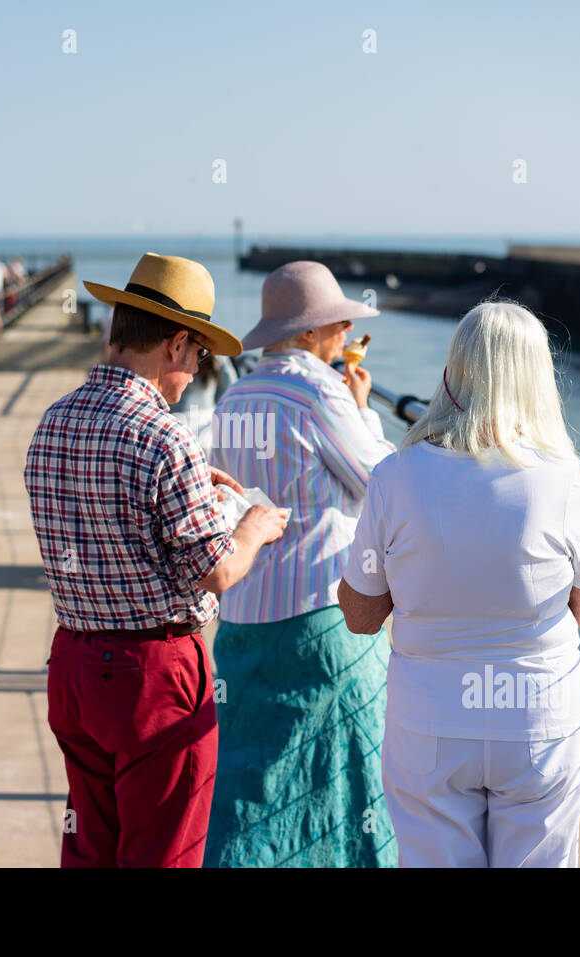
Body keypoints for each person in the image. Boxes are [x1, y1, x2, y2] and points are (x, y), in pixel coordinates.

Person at [25, 252, 288, 868]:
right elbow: (217, 570)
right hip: (154, 675)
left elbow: (103, 520)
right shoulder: (165, 436)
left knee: (91, 844)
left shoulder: (53, 422)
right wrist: (252, 527)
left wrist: (193, 488)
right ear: (175, 346)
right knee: (164, 850)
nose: (196, 373)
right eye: (198, 355)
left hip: (74, 663)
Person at [337, 300, 580, 868]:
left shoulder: (395, 475)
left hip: (430, 719)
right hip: (539, 717)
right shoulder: (568, 481)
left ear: (453, 371)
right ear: (539, 379)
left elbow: (360, 615)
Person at [203, 260, 398, 868]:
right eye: (338, 322)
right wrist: (363, 411)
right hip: (321, 621)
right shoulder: (318, 391)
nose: (345, 332)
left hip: (241, 621)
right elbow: (383, 483)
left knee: (250, 779)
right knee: (348, 770)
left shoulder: (235, 396)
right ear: (312, 333)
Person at [166, 352, 237, 455]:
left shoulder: (174, 350)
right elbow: (229, 391)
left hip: (175, 423)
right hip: (206, 428)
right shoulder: (218, 356)